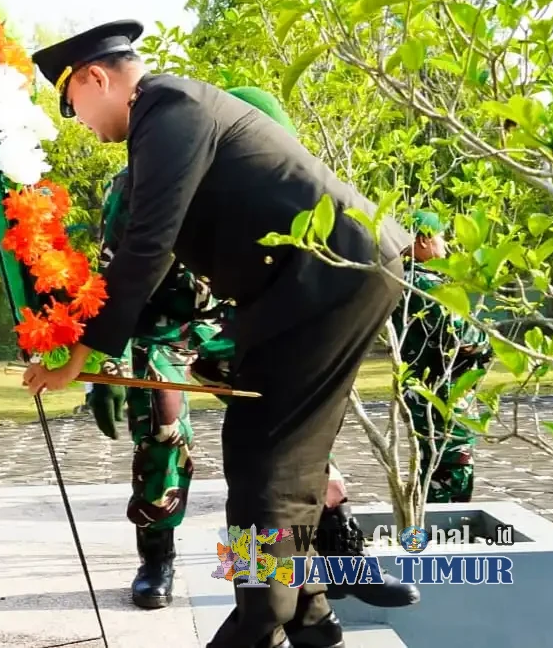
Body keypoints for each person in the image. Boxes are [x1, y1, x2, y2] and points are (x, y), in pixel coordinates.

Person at [23, 20, 411, 648]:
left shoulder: (170, 109)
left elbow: (147, 246)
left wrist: (82, 353)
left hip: (326, 280)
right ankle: (308, 614)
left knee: (266, 462)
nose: (81, 124)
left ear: (95, 78)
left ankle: (259, 622)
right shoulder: (168, 115)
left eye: (73, 107)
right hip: (308, 287)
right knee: (277, 460)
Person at [90, 86, 419, 612]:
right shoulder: (139, 180)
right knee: (163, 435)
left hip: (232, 321)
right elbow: (114, 277)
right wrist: (105, 357)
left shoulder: (279, 180)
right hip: (162, 329)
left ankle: (335, 554)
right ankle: (158, 558)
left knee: (296, 434)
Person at [392, 210, 492, 504]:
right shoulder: (424, 284)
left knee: (430, 466)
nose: (445, 244)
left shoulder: (399, 277)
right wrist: (486, 339)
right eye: (441, 236)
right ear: (424, 240)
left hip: (423, 393)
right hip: (443, 396)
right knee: (451, 472)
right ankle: (443, 530)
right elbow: (463, 338)